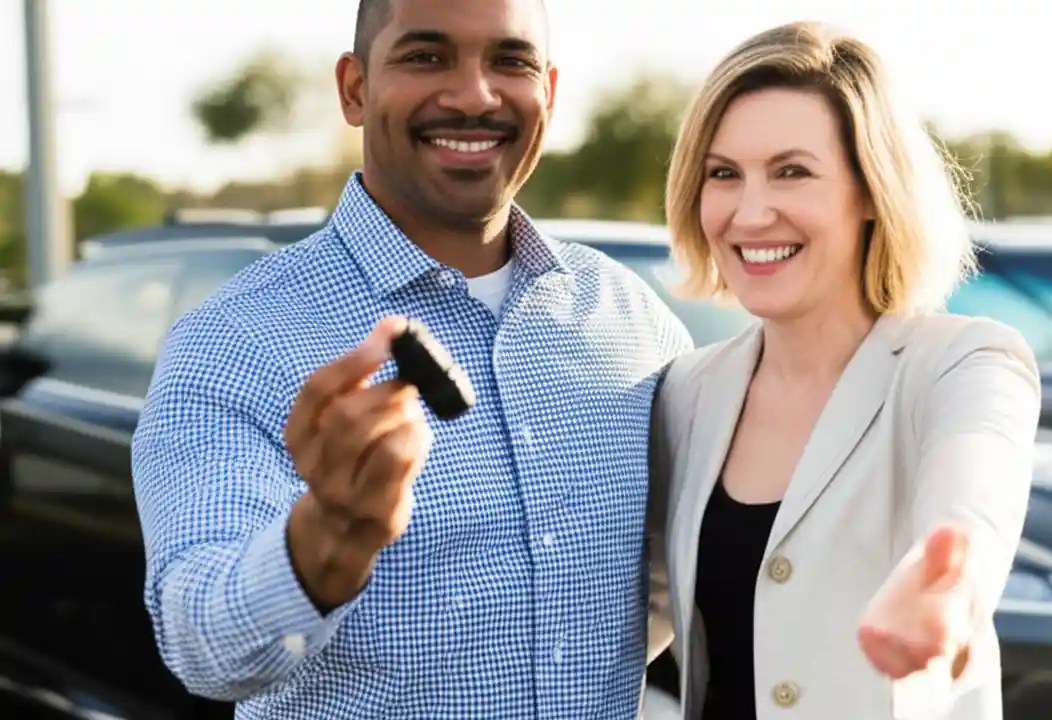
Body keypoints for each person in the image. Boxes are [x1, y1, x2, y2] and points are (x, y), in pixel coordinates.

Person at [130, 0, 690, 717]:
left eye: (510, 61)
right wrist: (327, 538)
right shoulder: (236, 340)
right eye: (426, 56)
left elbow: (680, 578)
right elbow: (202, 646)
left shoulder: (629, 316)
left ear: (548, 90)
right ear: (355, 89)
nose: (474, 95)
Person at [646, 21, 1041, 720]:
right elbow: (632, 616)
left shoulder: (963, 363)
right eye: (723, 174)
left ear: (870, 191)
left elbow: (975, 501)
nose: (750, 211)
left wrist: (944, 585)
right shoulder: (686, 393)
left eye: (791, 171)